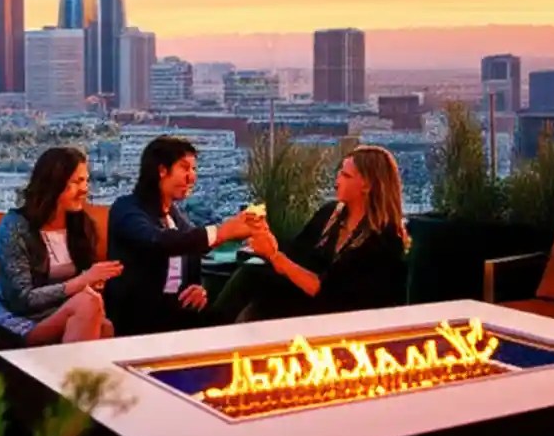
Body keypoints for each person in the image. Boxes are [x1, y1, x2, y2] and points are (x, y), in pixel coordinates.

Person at [213, 145, 410, 322]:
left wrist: (274, 256)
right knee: (252, 276)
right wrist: (267, 240)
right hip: (310, 301)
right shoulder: (330, 214)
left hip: (342, 315)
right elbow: (297, 255)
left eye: (346, 176)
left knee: (255, 282)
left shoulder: (384, 240)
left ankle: (207, 332)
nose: (337, 181)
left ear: (367, 186)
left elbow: (326, 290)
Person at [103, 135, 261, 336]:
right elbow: (158, 242)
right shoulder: (126, 209)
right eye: (185, 168)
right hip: (139, 319)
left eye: (194, 169)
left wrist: (196, 289)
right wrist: (222, 232)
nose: (192, 177)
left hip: (178, 315)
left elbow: (189, 250)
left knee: (251, 280)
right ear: (162, 170)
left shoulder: (176, 217)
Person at [0, 147, 124, 345]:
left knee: (104, 325)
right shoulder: (15, 227)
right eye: (77, 181)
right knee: (89, 304)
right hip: (21, 320)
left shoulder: (81, 224)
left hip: (62, 312)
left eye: (86, 180)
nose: (85, 189)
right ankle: (74, 375)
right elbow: (22, 300)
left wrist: (92, 282)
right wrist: (81, 282)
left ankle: (71, 375)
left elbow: (81, 284)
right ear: (54, 183)